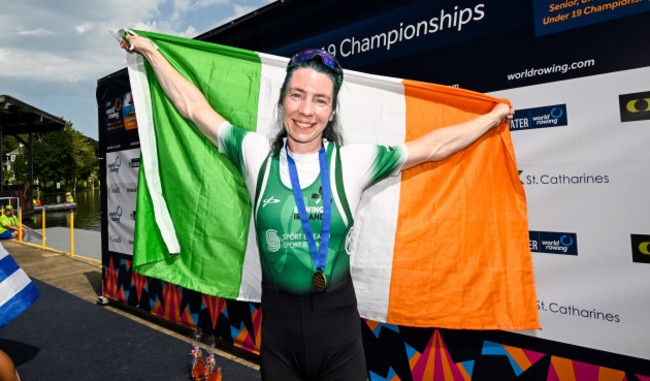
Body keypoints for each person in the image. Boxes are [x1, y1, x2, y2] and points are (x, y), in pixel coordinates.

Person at [121, 34, 513, 380]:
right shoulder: (256, 154)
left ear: (332, 110)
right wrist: (152, 52)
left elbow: (434, 146)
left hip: (339, 343)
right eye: (297, 95)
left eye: (320, 100)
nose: (306, 110)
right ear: (282, 101)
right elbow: (193, 108)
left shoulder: (354, 162)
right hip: (279, 342)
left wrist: (492, 117)